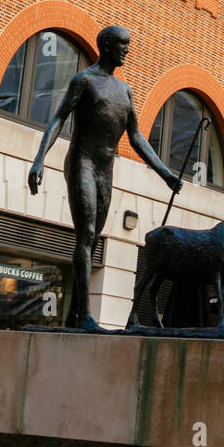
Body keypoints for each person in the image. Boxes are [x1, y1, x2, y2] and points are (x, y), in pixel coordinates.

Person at [28, 24, 181, 330]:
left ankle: (74, 313)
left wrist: (165, 174)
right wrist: (39, 159)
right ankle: (85, 316)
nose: (127, 49)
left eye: (128, 44)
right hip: (82, 162)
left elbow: (137, 137)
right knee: (85, 236)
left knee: (93, 239)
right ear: (107, 46)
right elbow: (58, 119)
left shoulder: (125, 91)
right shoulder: (84, 81)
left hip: (105, 168)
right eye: (123, 44)